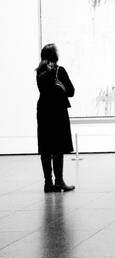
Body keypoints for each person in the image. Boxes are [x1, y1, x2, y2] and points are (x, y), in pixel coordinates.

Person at [35, 42, 76, 192]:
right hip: (58, 111)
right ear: (55, 55)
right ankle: (59, 181)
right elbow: (71, 91)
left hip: (43, 111)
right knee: (58, 147)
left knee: (46, 148)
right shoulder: (60, 70)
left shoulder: (39, 72)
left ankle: (48, 183)